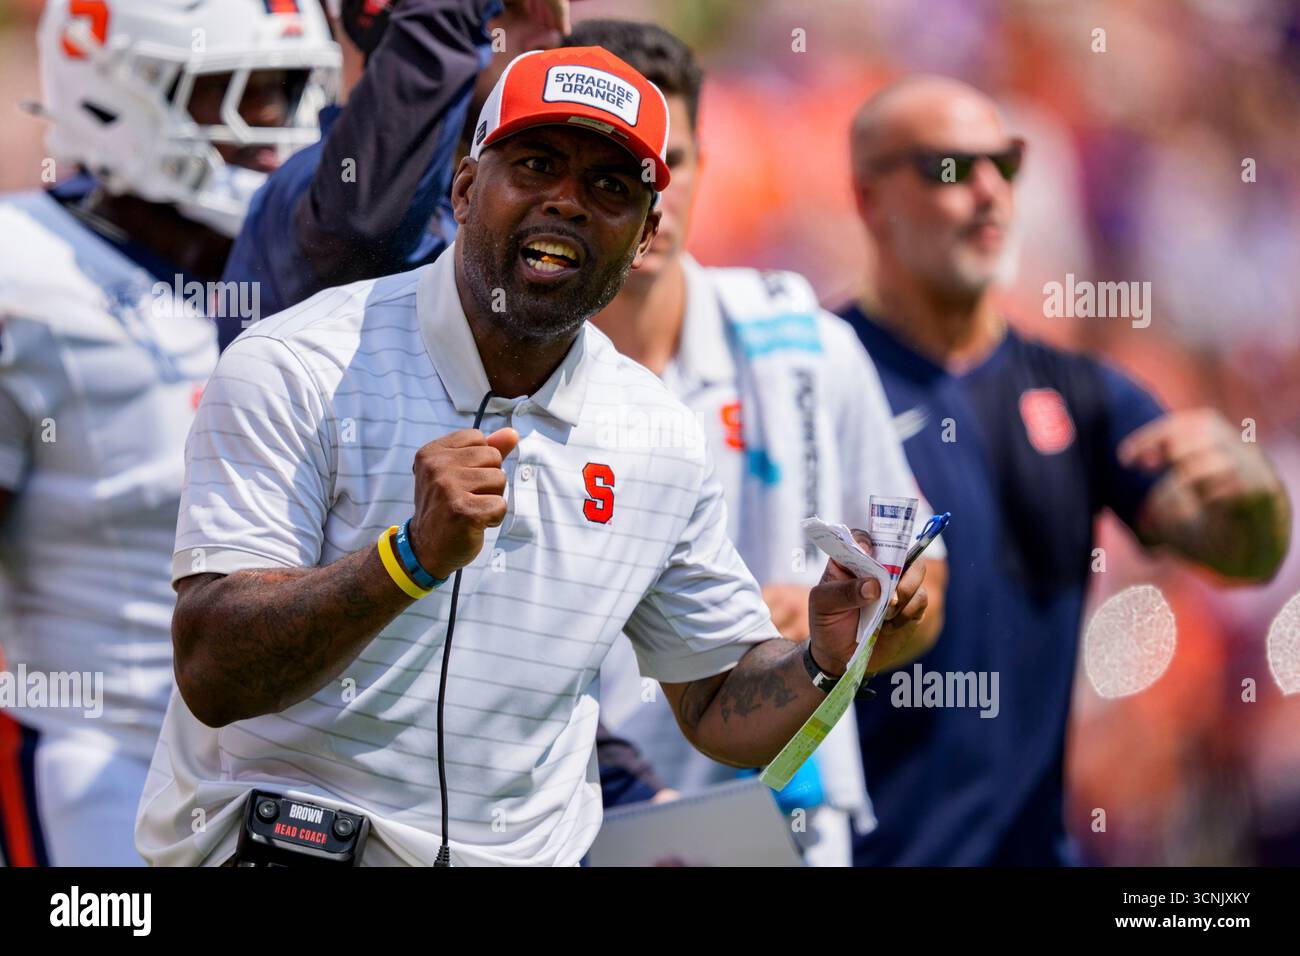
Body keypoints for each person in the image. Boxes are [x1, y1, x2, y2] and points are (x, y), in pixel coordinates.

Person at [134, 46, 931, 867]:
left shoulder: (657, 435)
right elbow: (213, 668)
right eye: (537, 163)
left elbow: (719, 699)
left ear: (647, 233)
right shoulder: (298, 362)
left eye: (610, 187)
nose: (568, 202)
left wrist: (828, 656)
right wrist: (406, 560)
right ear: (467, 187)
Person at [838, 75, 1291, 865]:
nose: (988, 193)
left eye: (1005, 165)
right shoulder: (812, 375)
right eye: (950, 169)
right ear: (871, 198)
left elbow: (1235, 554)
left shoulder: (1079, 394)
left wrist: (1256, 501)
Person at [563, 20, 947, 866]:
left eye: (675, 162)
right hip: (572, 827)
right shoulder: (515, 369)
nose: (652, 195)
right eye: (618, 168)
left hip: (787, 827)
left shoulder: (806, 344)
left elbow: (926, 596)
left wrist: (868, 617)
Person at [0, 0, 339, 865]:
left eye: (286, 86)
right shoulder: (27, 276)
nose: (274, 126)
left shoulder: (310, 271)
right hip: (104, 768)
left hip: (300, 783)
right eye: (229, 89)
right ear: (115, 95)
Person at [217, 0, 570, 348]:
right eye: (506, 5)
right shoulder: (315, 185)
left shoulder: (450, 185)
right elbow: (363, 223)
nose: (550, 32)